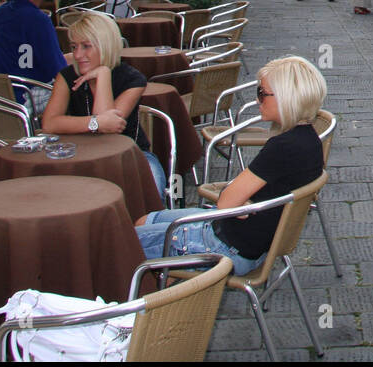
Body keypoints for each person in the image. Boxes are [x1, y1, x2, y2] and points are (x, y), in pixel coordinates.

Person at [134, 56, 326, 274]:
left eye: (262, 93)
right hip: (246, 243)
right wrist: (241, 199)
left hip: (223, 246)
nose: (257, 100)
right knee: (145, 220)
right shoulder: (310, 141)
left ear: (287, 98)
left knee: (123, 245)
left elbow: (226, 203)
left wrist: (238, 197)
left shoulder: (281, 147)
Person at [40, 12, 166, 199]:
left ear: (105, 45)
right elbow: (49, 124)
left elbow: (108, 134)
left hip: (131, 155)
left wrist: (103, 74)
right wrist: (94, 122)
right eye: (74, 47)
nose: (77, 54)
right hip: (78, 156)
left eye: (86, 46)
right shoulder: (67, 77)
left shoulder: (132, 79)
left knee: (152, 191)